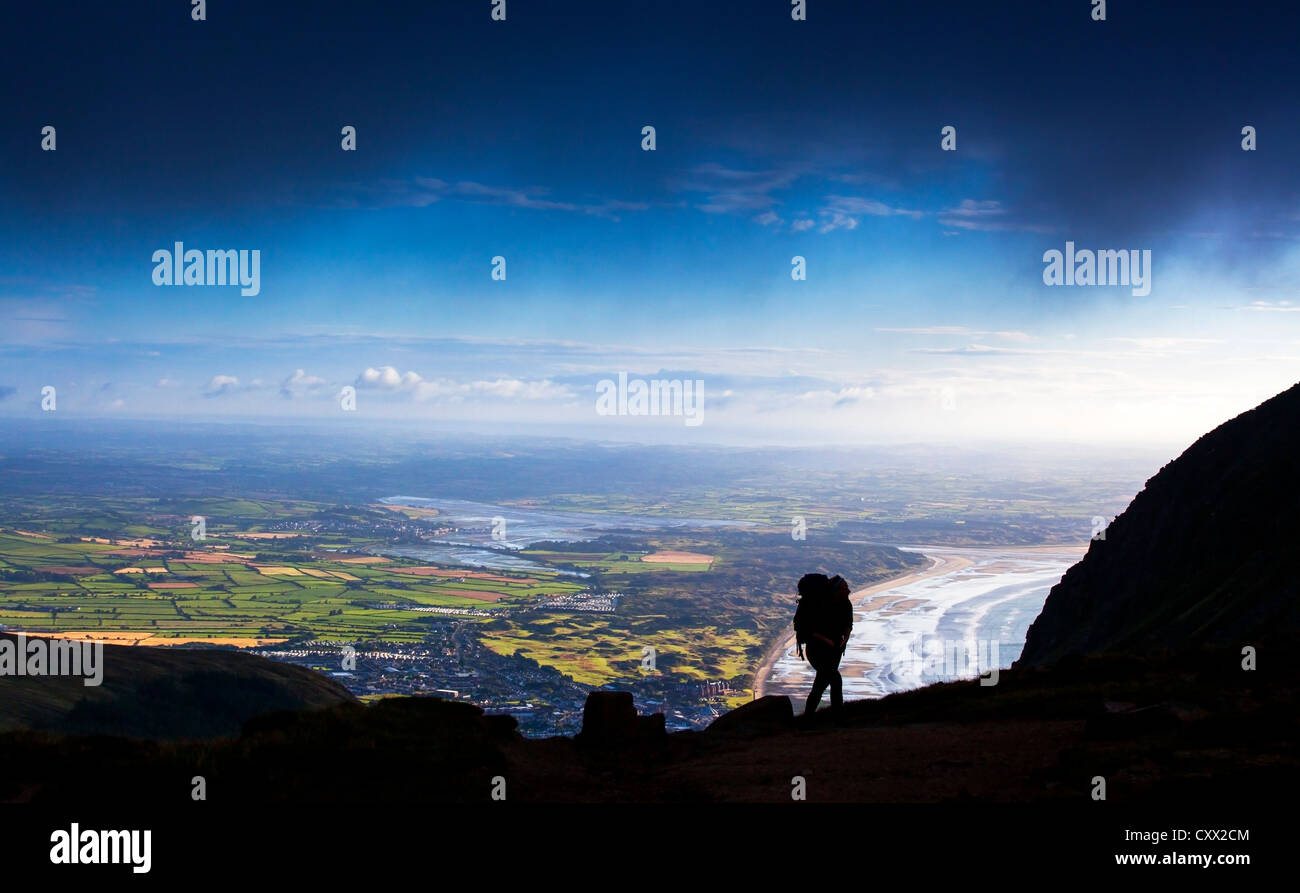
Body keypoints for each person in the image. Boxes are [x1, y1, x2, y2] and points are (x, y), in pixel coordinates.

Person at [793, 573, 853, 717]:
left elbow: (848, 625)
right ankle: (837, 717)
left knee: (822, 683)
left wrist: (844, 639)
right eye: (844, 588)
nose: (848, 591)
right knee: (834, 680)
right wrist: (827, 641)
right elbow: (808, 630)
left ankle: (808, 718)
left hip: (835, 651)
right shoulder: (819, 605)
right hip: (817, 651)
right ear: (836, 590)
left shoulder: (845, 604)